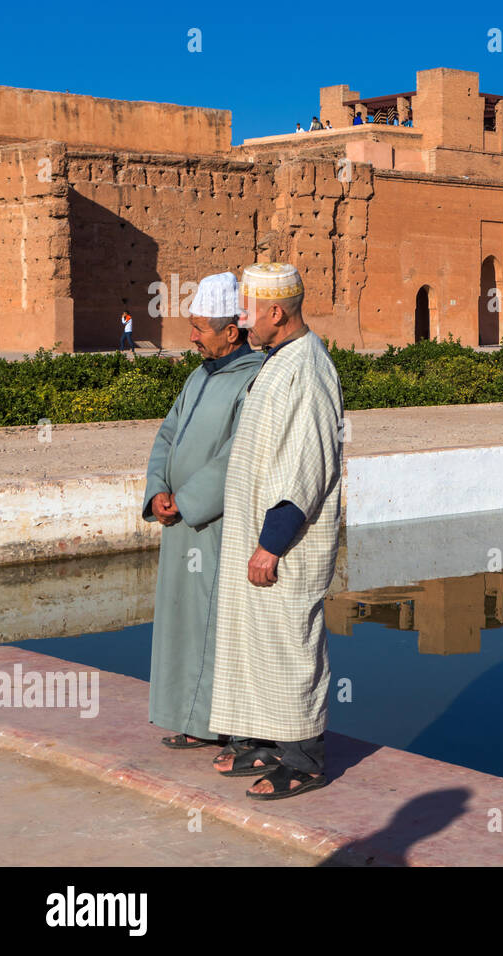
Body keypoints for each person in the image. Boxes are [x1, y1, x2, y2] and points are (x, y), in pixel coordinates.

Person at [210, 262, 343, 800]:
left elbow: (305, 466)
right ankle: (266, 741)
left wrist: (272, 542)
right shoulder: (278, 360)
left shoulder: (307, 369)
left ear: (275, 313)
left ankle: (305, 759)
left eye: (248, 310)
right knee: (259, 642)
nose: (242, 321)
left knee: (291, 645)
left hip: (286, 544)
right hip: (262, 538)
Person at [143, 273, 265, 751]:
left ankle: (220, 722)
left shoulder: (254, 379)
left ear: (229, 332)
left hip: (212, 527)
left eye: (199, 328)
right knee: (182, 623)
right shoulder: (199, 376)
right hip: (179, 525)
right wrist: (157, 491)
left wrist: (188, 502)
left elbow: (238, 454)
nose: (191, 337)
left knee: (214, 623)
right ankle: (193, 719)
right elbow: (167, 436)